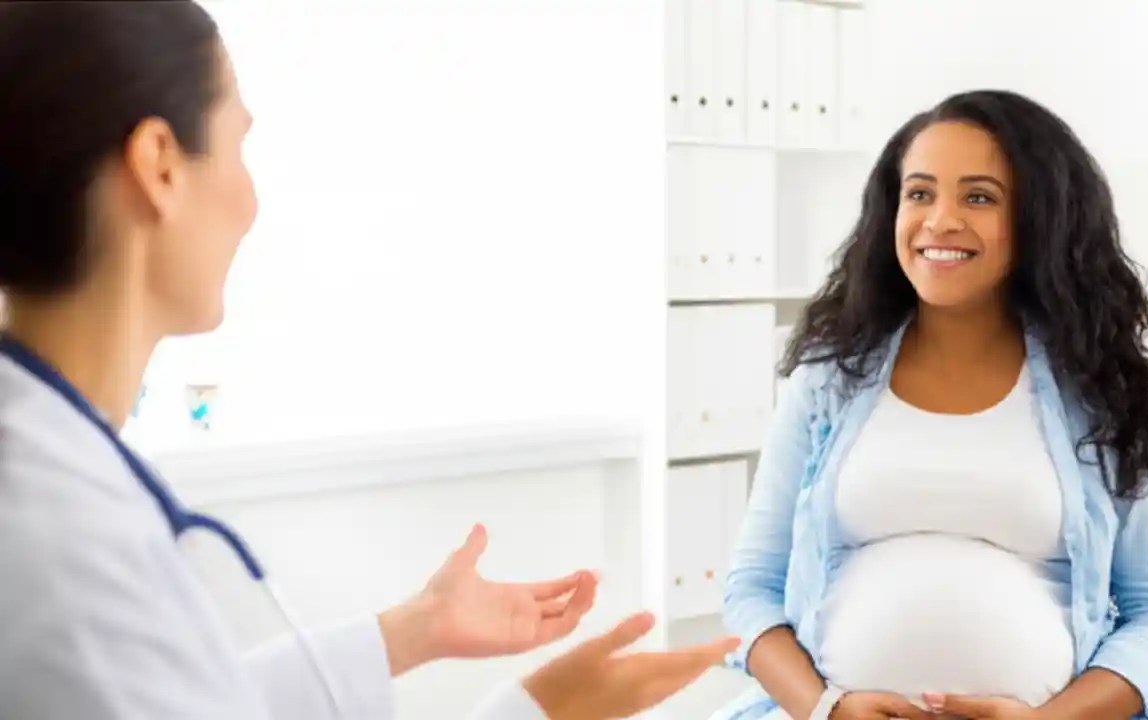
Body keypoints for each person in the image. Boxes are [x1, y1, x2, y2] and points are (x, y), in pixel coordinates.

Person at [0, 3, 737, 719]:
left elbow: (196, 699)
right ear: (159, 164)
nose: (251, 198)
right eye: (238, 145)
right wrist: (540, 712)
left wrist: (417, 627)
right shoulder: (66, 551)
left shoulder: (51, 478)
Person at [715, 90, 1148, 720]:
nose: (939, 221)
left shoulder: (1106, 391)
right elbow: (752, 591)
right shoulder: (826, 380)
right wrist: (825, 710)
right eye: (919, 193)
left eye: (978, 197)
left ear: (1042, 219)